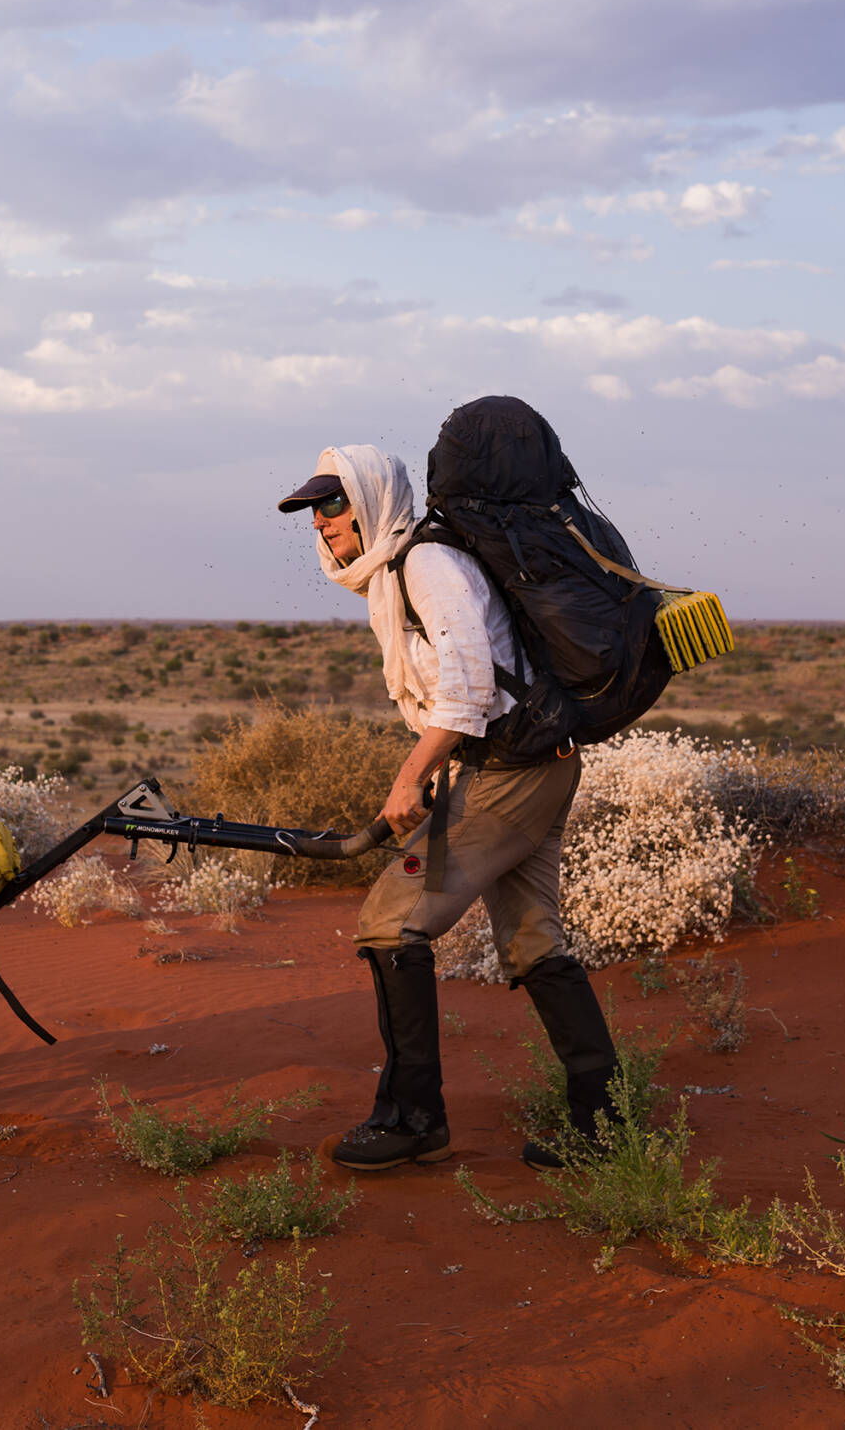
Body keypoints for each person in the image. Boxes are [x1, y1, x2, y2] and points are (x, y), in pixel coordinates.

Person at [278, 443, 622, 1172]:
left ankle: (412, 1119)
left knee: (388, 923)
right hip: (525, 763)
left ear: (373, 499)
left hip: (513, 772)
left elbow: (467, 690)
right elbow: (462, 691)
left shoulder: (426, 566)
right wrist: (440, 768)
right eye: (313, 510)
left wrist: (411, 776)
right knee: (533, 940)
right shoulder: (397, 572)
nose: (322, 523)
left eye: (334, 504)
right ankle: (606, 1125)